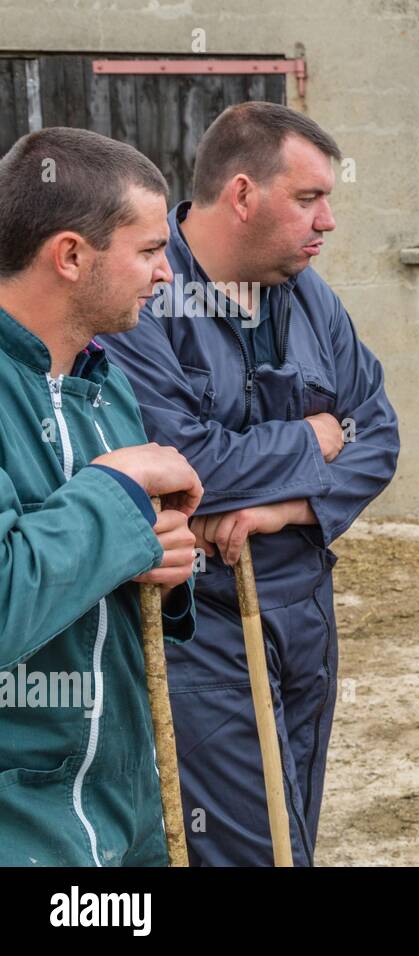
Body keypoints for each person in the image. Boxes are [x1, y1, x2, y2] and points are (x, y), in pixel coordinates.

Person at [100, 103, 400, 866]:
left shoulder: (308, 295)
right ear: (241, 195)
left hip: (305, 608)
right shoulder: (143, 296)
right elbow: (186, 461)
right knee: (242, 845)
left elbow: (380, 433)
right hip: (206, 618)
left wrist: (288, 505)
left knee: (294, 823)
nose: (327, 221)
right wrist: (310, 438)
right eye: (308, 199)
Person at [0, 128, 204, 865]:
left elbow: (109, 572)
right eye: (150, 251)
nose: (166, 276)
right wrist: (117, 495)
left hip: (121, 812)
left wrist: (159, 557)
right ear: (71, 255)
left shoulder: (104, 384)